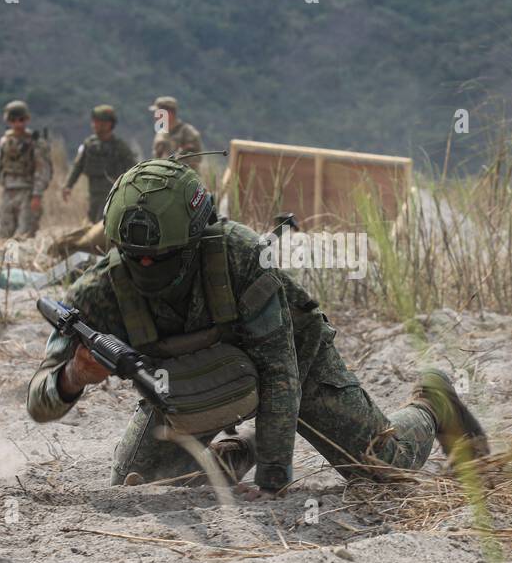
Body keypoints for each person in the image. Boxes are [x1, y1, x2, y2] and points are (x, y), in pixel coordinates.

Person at [27, 159, 488, 496]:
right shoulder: (98, 292)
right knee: (141, 484)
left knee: (382, 470)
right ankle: (237, 450)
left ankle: (434, 402)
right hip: (187, 392)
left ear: (194, 237)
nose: (146, 265)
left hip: (293, 367)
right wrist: (73, 378)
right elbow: (38, 403)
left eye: (160, 255)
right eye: (134, 255)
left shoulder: (240, 255)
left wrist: (273, 477)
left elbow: (281, 369)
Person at [0, 99, 53, 239]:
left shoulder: (36, 142)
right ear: (8, 121)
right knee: (3, 234)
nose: (17, 124)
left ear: (27, 119)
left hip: (28, 192)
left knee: (24, 234)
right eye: (13, 120)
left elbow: (42, 171)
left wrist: (37, 194)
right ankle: (7, 260)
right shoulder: (5, 142)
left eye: (21, 119)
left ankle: (21, 261)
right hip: (8, 192)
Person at [62, 105, 139, 224]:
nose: (95, 125)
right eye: (94, 121)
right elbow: (78, 166)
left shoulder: (119, 146)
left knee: (105, 220)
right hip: (93, 192)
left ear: (109, 124)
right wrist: (68, 185)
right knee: (93, 220)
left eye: (99, 122)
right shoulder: (89, 144)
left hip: (113, 191)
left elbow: (134, 166)